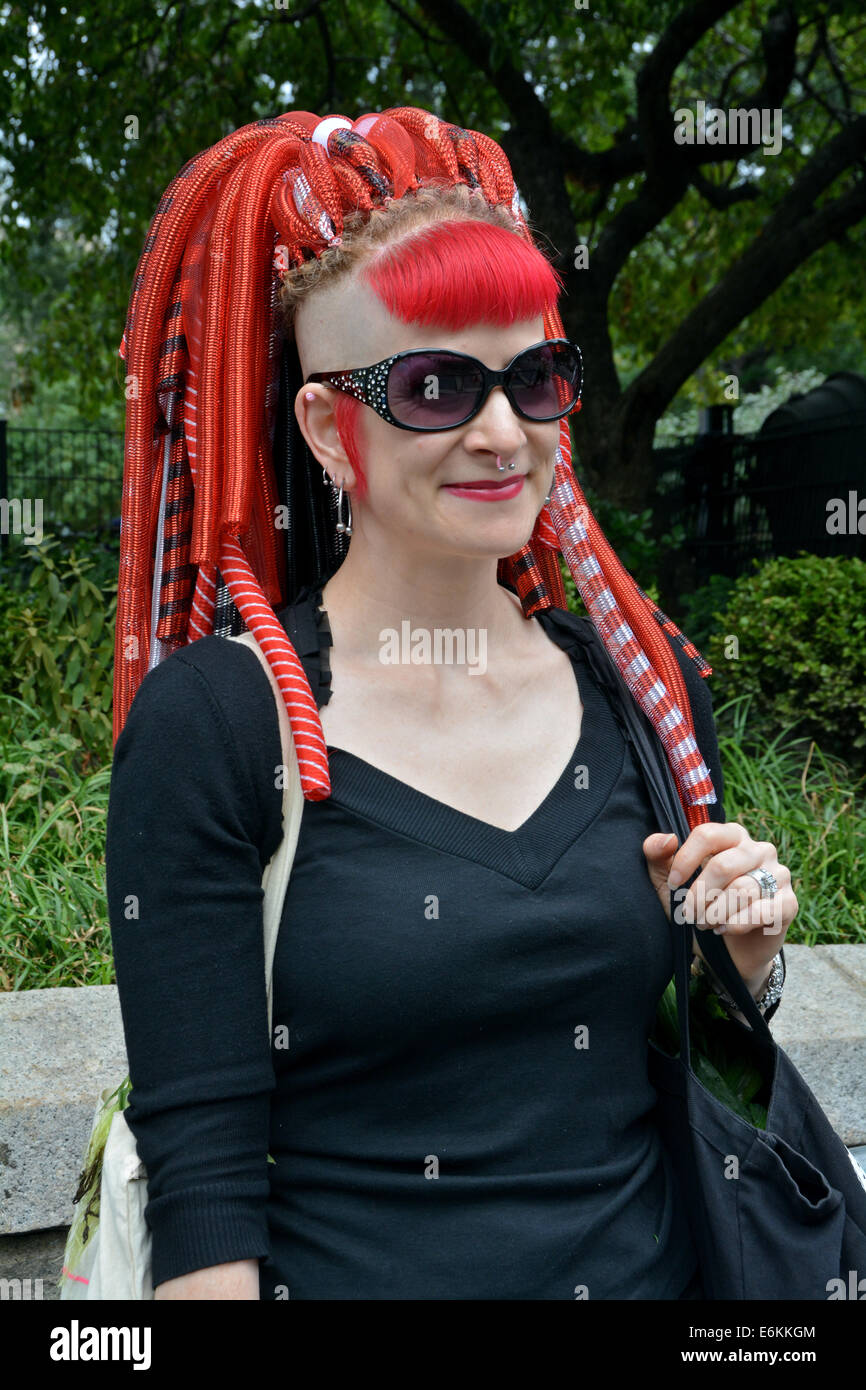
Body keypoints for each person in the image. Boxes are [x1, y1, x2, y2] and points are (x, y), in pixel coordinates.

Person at [105, 107, 795, 1300]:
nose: (499, 432)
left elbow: (644, 1061)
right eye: (432, 385)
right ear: (327, 426)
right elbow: (204, 1187)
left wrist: (739, 959)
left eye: (533, 377)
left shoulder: (641, 688)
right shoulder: (219, 727)